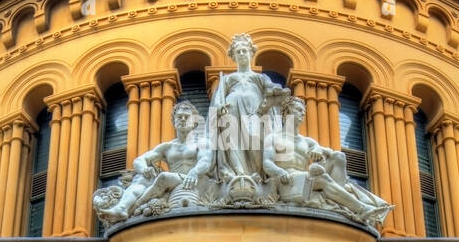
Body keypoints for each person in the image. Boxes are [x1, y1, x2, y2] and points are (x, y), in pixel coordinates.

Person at [262, 96, 392, 227]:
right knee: (319, 175)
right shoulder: (274, 137)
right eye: (298, 110)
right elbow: (267, 163)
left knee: (338, 156)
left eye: (303, 111)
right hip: (287, 182)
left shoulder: (307, 141)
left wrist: (318, 150)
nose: (302, 113)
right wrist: (279, 172)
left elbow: (330, 153)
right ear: (287, 111)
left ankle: (341, 200)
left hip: (305, 179)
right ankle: (361, 208)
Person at [96, 100, 213, 223]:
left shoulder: (202, 142)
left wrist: (195, 171)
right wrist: (144, 169)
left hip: (195, 182)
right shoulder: (167, 147)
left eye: (187, 117)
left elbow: (205, 161)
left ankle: (133, 209)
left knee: (163, 177)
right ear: (174, 122)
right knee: (141, 179)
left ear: (194, 123)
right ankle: (122, 207)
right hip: (175, 181)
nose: (183, 119)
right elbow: (139, 160)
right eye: (179, 117)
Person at [210, 33, 289, 183]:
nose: (241, 54)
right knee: (232, 140)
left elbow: (270, 89)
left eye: (244, 51)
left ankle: (257, 172)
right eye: (238, 52)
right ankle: (239, 172)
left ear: (251, 53)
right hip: (231, 110)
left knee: (255, 139)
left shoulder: (260, 77)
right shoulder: (227, 79)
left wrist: (277, 91)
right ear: (233, 56)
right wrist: (219, 109)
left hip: (255, 111)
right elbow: (217, 101)